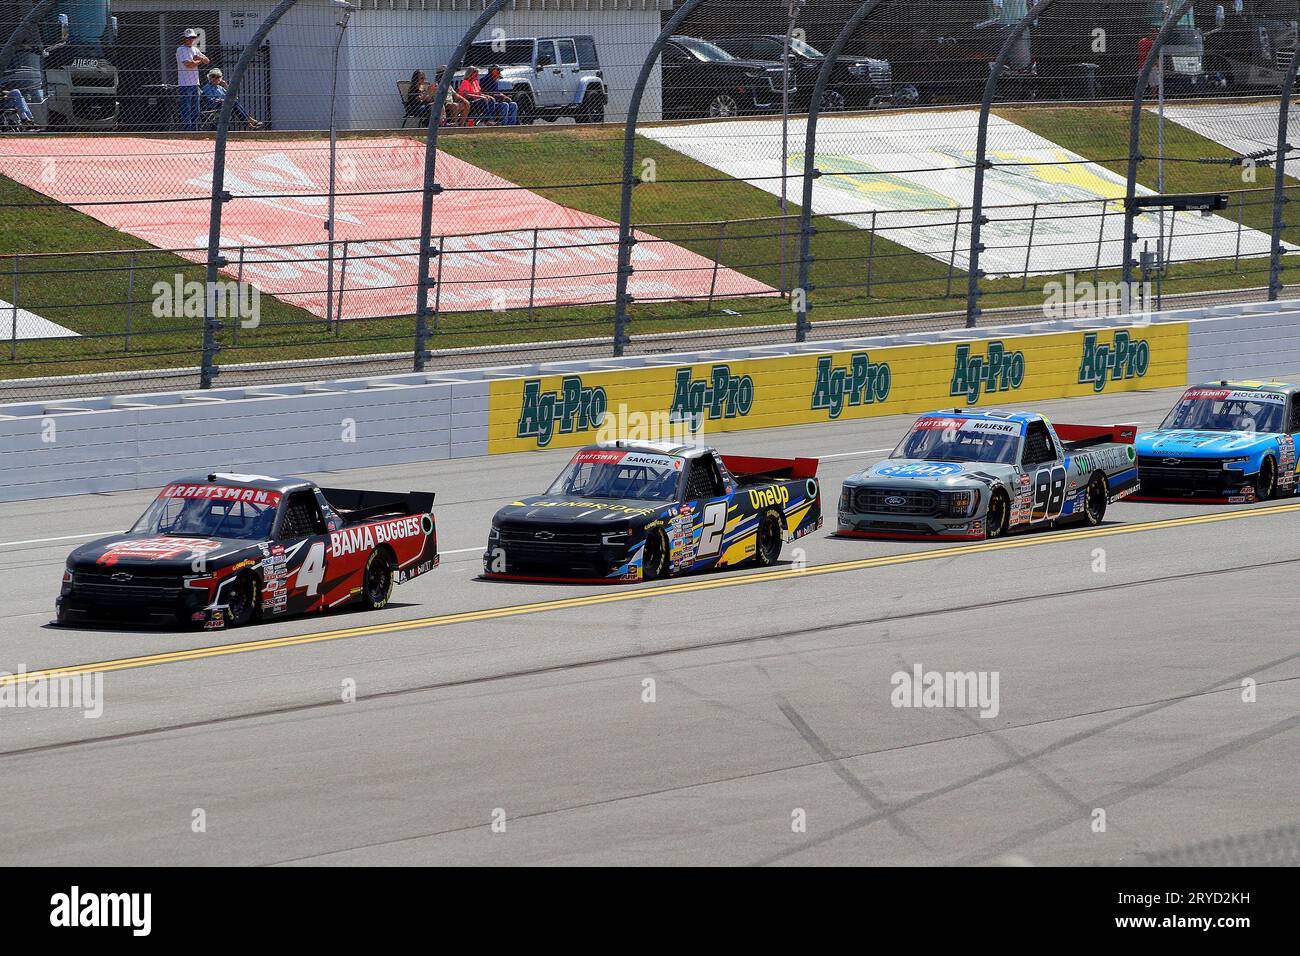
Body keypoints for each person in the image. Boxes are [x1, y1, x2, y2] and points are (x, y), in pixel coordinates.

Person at [176, 28, 209, 131]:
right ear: (184, 38)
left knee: (196, 110)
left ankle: (194, 131)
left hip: (195, 83)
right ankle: (187, 131)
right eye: (189, 38)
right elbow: (188, 64)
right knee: (186, 110)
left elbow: (207, 60)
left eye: (193, 38)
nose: (191, 40)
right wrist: (199, 60)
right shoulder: (181, 50)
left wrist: (198, 59)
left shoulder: (195, 49)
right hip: (185, 84)